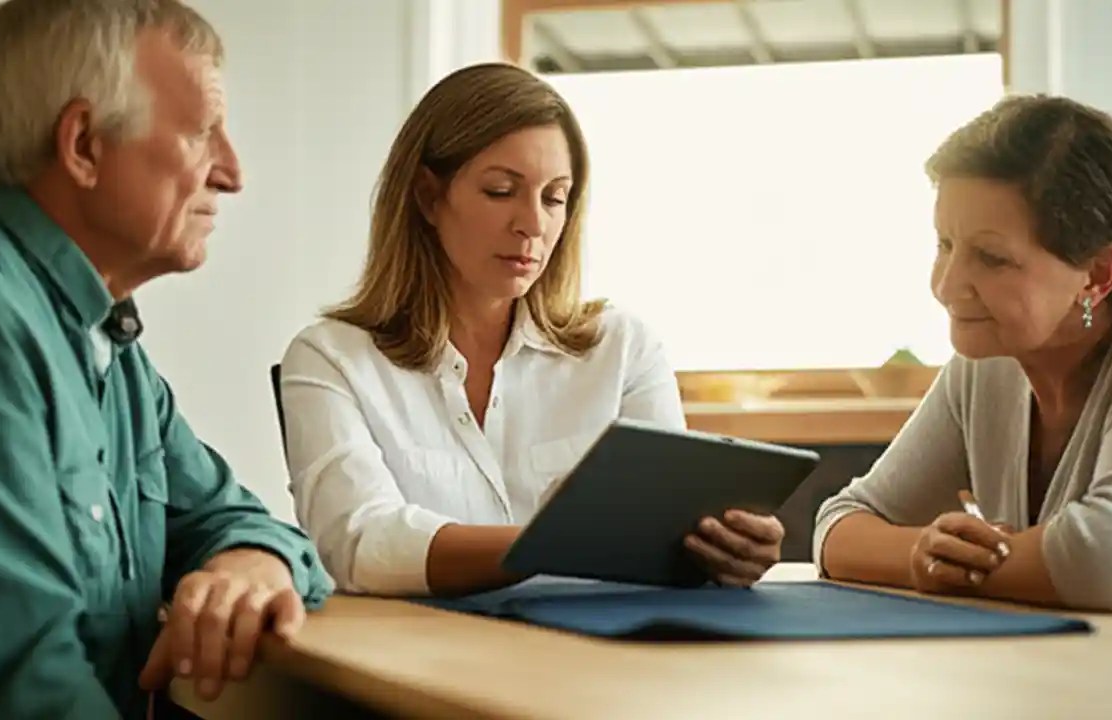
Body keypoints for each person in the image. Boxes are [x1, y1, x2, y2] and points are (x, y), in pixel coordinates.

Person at [0, 1, 334, 717]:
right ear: (83, 145)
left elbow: (233, 515)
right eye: (203, 131)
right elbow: (25, 685)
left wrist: (252, 563)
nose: (233, 173)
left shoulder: (106, 342)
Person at [278, 62, 785, 597]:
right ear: (428, 197)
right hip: (416, 664)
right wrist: (559, 544)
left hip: (596, 662)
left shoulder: (624, 349)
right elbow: (359, 543)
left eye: (554, 197)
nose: (533, 224)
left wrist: (721, 548)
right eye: (501, 191)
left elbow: (665, 533)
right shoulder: (328, 358)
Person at [813, 94, 1112, 614]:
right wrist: (922, 554)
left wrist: (954, 567)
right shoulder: (992, 357)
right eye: (944, 245)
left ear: (1096, 275)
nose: (946, 285)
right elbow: (842, 526)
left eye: (991, 258)